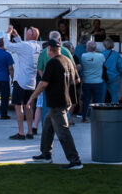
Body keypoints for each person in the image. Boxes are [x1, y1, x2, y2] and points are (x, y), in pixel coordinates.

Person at [30, 40, 83, 169]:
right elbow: (77, 80)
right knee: (48, 126)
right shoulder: (68, 60)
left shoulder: (52, 63)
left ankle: (75, 161)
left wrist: (32, 98)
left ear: (49, 49)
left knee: (62, 131)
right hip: (66, 101)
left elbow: (43, 83)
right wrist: (65, 85)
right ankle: (46, 154)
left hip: (57, 102)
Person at [4, 25, 41, 140]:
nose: (26, 33)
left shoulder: (25, 45)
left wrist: (8, 33)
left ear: (31, 35)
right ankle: (30, 131)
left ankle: (21, 132)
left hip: (20, 80)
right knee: (29, 106)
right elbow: (23, 48)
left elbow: (8, 45)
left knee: (18, 106)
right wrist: (17, 37)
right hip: (31, 81)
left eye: (28, 32)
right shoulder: (37, 46)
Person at [80, 40, 105, 122]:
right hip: (98, 82)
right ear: (95, 48)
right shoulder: (101, 56)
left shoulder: (83, 56)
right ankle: (98, 117)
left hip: (86, 81)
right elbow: (103, 62)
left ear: (87, 48)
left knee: (86, 100)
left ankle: (84, 117)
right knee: (98, 101)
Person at [102, 38, 122, 104]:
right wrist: (120, 73)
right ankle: (115, 107)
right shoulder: (116, 54)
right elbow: (121, 66)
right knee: (114, 95)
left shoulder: (101, 54)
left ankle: (100, 107)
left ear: (104, 45)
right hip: (114, 77)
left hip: (103, 77)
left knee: (102, 95)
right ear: (112, 45)